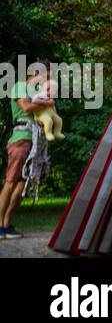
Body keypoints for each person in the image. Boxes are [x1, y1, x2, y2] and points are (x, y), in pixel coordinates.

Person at [0, 62, 52, 239]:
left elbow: (44, 116)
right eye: (48, 75)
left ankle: (7, 224)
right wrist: (47, 104)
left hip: (35, 141)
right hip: (20, 138)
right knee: (11, 181)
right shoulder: (20, 86)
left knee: (23, 184)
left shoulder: (41, 93)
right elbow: (26, 107)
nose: (49, 80)